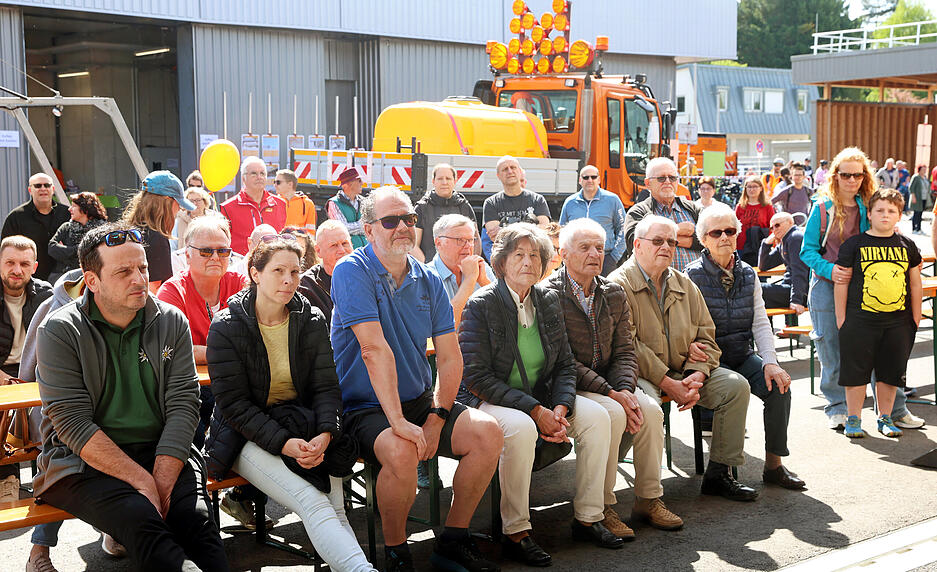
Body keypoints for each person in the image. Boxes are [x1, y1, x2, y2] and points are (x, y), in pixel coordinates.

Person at [32, 222, 228, 572]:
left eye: (143, 268)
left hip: (161, 448)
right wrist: (142, 482)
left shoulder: (170, 320)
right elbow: (72, 425)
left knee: (197, 523)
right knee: (142, 521)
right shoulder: (60, 330)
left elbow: (184, 404)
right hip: (81, 462)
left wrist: (162, 478)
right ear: (92, 281)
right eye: (124, 271)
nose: (139, 279)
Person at [330, 186, 502, 572]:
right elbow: (374, 350)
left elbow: (449, 353)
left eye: (408, 219)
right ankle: (396, 551)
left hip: (418, 398)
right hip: (365, 404)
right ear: (369, 229)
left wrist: (437, 416)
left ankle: (452, 541)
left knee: (487, 432)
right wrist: (399, 423)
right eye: (391, 221)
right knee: (402, 450)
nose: (403, 228)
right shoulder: (351, 270)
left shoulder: (426, 278)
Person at [460, 222, 626, 567]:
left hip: (541, 396)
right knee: (519, 428)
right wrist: (537, 411)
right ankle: (515, 531)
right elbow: (476, 377)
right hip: (490, 399)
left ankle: (589, 517)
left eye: (535, 255)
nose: (528, 262)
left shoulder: (547, 299)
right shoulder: (482, 304)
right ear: (501, 262)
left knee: (597, 417)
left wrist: (562, 406)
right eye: (518, 255)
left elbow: (565, 363)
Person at [205, 237, 376, 571]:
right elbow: (234, 405)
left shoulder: (309, 319)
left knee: (335, 507)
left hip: (303, 425)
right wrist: (284, 443)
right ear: (255, 273)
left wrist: (326, 433)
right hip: (245, 436)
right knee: (313, 502)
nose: (289, 280)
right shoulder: (226, 326)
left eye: (295, 271)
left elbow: (327, 387)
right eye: (278, 270)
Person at [543, 218, 683, 538]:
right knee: (614, 411)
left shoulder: (613, 292)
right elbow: (561, 360)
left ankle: (649, 498)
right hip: (566, 384)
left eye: (599, 248)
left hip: (608, 383)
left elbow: (624, 351)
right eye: (584, 247)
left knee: (648, 409)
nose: (594, 254)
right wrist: (612, 392)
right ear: (563, 252)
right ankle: (603, 506)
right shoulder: (547, 295)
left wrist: (623, 387)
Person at [610, 215, 757, 501]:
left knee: (735, 386)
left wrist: (698, 373)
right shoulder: (618, 284)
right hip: (641, 374)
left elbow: (707, 335)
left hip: (685, 372)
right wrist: (669, 383)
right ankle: (646, 493)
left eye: (671, 242)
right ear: (637, 245)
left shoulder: (683, 283)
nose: (666, 247)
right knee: (648, 405)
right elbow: (627, 345)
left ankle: (718, 474)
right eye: (657, 241)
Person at [801, 146, 922, 431]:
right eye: (846, 174)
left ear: (865, 176)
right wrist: (831, 270)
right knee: (832, 349)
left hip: (868, 288)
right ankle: (838, 408)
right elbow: (806, 251)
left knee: (884, 351)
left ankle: (894, 411)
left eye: (858, 174)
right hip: (827, 286)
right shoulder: (822, 208)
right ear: (836, 176)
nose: (852, 180)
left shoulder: (869, 204)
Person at [686, 204, 805, 490]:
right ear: (704, 239)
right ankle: (718, 473)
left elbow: (761, 323)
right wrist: (688, 346)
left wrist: (771, 361)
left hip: (741, 354)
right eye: (717, 232)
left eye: (730, 230)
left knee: (780, 385)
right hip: (710, 362)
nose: (725, 237)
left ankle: (774, 466)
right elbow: (683, 325)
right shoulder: (691, 276)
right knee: (734, 387)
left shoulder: (749, 275)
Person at [834, 189, 922, 438]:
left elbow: (915, 283)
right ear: (869, 214)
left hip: (898, 322)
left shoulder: (907, 246)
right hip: (860, 320)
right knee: (856, 372)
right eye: (880, 210)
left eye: (891, 211)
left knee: (890, 372)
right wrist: (841, 318)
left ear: (899, 216)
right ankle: (854, 418)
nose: (885, 215)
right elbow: (842, 282)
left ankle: (885, 417)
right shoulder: (854, 244)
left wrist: (915, 317)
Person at [623, 157, 703, 270]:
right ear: (647, 183)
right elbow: (636, 243)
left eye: (672, 178)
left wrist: (659, 239)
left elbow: (711, 238)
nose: (667, 182)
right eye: (661, 178)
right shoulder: (638, 212)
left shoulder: (693, 209)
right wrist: (678, 230)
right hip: (658, 285)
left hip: (696, 284)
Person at [123, 171, 196, 292]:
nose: (179, 210)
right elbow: (155, 288)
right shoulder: (156, 238)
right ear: (167, 200)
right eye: (178, 203)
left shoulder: (129, 230)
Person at [426, 214, 495, 327]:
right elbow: (443, 326)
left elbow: (505, 314)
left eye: (470, 240)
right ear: (439, 243)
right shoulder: (426, 277)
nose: (468, 246)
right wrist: (469, 280)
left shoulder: (482, 268)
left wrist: (484, 282)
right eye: (460, 240)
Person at [559, 164, 628, 276]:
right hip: (576, 259)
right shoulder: (570, 202)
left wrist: (614, 257)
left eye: (593, 177)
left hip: (604, 259)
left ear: (599, 180)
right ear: (580, 180)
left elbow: (623, 228)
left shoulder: (613, 200)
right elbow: (562, 231)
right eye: (586, 177)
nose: (590, 180)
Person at [2, 172, 70, 282]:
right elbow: (6, 250)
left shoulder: (67, 214)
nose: (43, 189)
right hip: (29, 281)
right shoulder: (16, 217)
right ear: (30, 190)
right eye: (38, 186)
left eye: (47, 185)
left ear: (52, 189)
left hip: (64, 280)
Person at [220, 156, 288, 255]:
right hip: (241, 265)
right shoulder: (227, 208)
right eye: (254, 174)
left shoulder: (280, 204)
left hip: (273, 263)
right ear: (243, 178)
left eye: (262, 173)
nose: (259, 177)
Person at [411, 163, 477, 263]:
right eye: (440, 179)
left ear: (455, 181)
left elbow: (475, 241)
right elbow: (413, 245)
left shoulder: (464, 206)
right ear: (433, 181)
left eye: (448, 178)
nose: (444, 182)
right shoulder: (421, 208)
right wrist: (428, 269)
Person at [482, 155, 551, 248]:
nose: (510, 171)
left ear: (520, 171)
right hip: (505, 257)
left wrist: (505, 228)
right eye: (505, 169)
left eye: (513, 167)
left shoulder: (537, 200)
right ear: (498, 176)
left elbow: (545, 230)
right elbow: (495, 237)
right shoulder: (491, 203)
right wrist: (530, 227)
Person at [297, 220, 353, 324]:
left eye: (345, 243)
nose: (342, 250)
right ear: (318, 251)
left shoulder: (366, 275)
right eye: (334, 245)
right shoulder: (307, 286)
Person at [48, 192, 108, 283]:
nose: (69, 209)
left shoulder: (101, 230)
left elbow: (99, 255)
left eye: (73, 206)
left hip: (91, 279)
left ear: (85, 209)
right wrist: (81, 249)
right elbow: (52, 248)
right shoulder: (67, 227)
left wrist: (64, 252)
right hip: (62, 278)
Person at [758, 212, 809, 312]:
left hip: (802, 292)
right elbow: (764, 265)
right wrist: (766, 243)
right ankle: (769, 327)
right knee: (757, 290)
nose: (774, 230)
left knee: (757, 289)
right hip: (789, 289)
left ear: (790, 222)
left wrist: (796, 300)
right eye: (771, 228)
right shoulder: (785, 241)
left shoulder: (795, 237)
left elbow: (799, 271)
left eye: (777, 225)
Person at [735, 175, 774, 266]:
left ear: (761, 188)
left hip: (760, 246)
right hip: (742, 246)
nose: (752, 189)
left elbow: (772, 227)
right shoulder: (740, 207)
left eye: (755, 186)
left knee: (761, 277)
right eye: (749, 187)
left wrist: (770, 244)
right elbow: (734, 227)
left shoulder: (767, 206)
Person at [327, 167, 368, 249]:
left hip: (366, 251)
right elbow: (341, 229)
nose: (362, 183)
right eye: (359, 180)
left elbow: (372, 226)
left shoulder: (364, 201)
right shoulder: (334, 203)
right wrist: (363, 226)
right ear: (348, 184)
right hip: (347, 253)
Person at [276, 168, 317, 234]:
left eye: (278, 182)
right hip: (279, 243)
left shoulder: (307, 203)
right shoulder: (273, 203)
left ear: (290, 184)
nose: (275, 185)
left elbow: (311, 231)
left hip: (299, 243)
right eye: (274, 182)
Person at [909, 164, 930, 234]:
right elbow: (911, 188)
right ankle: (914, 228)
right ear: (919, 170)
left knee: (920, 213)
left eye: (925, 169)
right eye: (923, 169)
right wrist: (913, 197)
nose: (924, 171)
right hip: (917, 198)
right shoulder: (916, 177)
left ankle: (919, 228)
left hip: (923, 198)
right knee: (916, 213)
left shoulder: (925, 177)